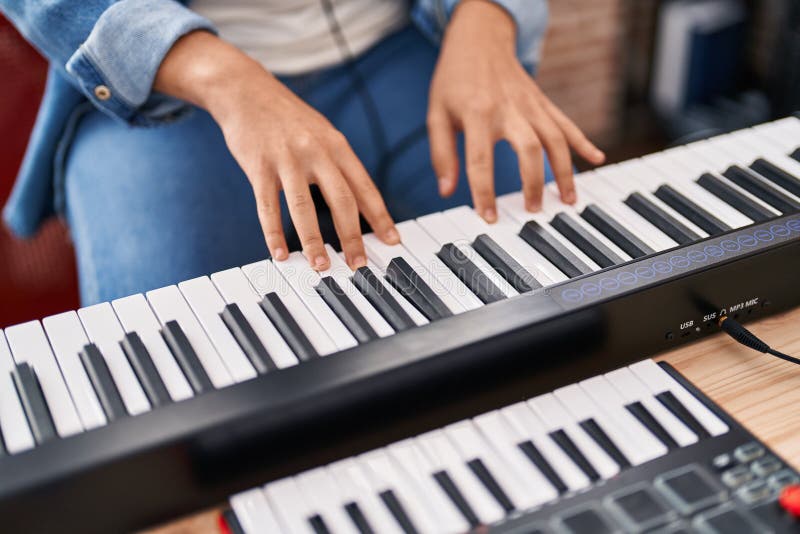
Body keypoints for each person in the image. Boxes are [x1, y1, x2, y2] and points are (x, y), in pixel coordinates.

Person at [1, 0, 605, 306]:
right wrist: (219, 74)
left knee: (564, 286)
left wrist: (487, 16)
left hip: (407, 43)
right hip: (176, 83)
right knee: (164, 387)